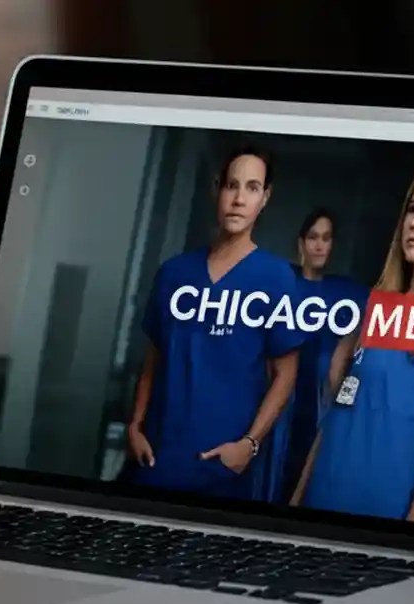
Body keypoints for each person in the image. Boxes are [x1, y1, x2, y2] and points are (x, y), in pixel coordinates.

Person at [290, 156, 414, 523]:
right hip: (320, 502)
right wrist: (295, 504)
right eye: (413, 208)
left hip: (382, 518)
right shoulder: (379, 304)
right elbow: (335, 417)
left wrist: (407, 542)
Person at [125, 144, 303, 501]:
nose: (239, 199)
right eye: (231, 185)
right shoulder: (174, 272)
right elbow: (154, 357)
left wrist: (248, 446)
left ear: (265, 198)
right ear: (216, 189)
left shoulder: (276, 277)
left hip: (221, 469)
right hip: (155, 458)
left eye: (252, 188)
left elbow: (286, 374)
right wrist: (136, 425)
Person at [283, 208, 370, 502]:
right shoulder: (282, 283)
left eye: (327, 238)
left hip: (321, 401)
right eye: (313, 237)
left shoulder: (347, 292)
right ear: (301, 243)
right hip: (280, 397)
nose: (320, 245)